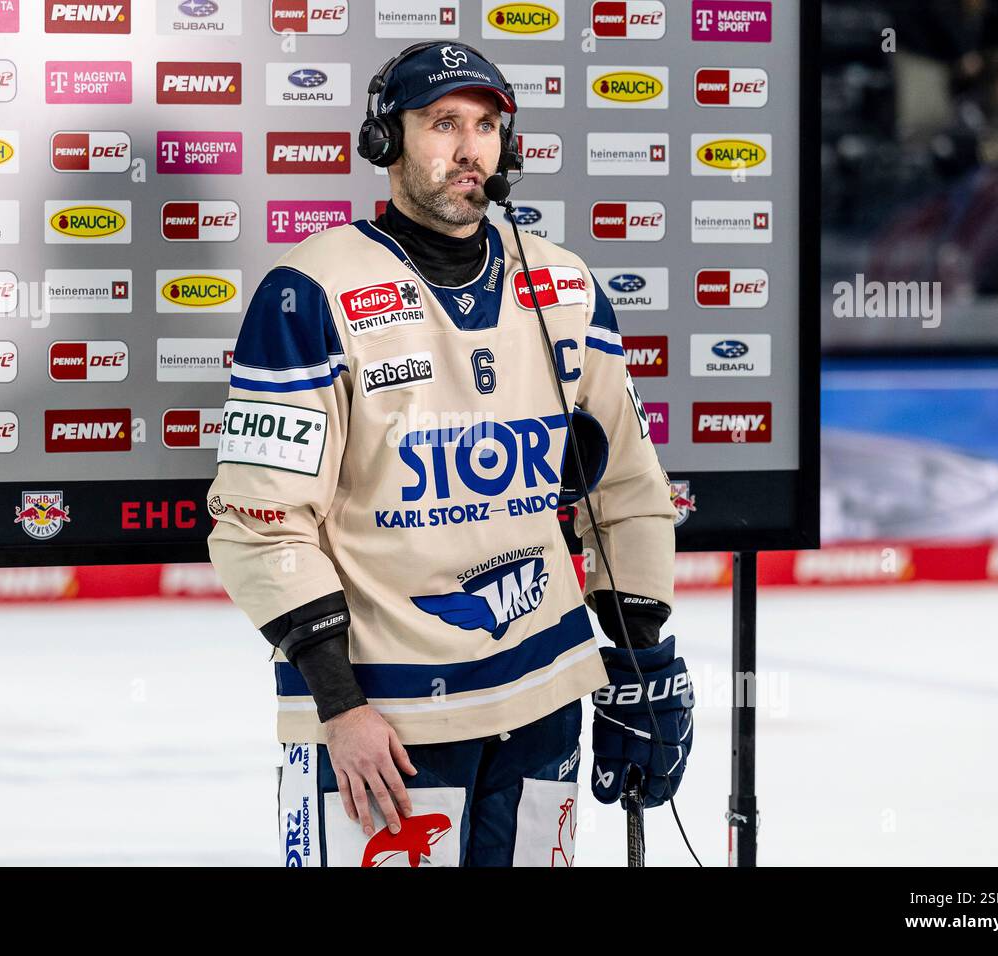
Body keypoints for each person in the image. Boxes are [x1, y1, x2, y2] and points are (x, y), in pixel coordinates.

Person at [206, 41, 690, 867]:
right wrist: (339, 708)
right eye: (441, 124)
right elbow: (264, 524)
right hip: (385, 727)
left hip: (544, 700)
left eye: (486, 126)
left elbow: (630, 492)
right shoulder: (310, 289)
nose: (469, 148)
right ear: (385, 142)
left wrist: (642, 658)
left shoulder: (564, 285)